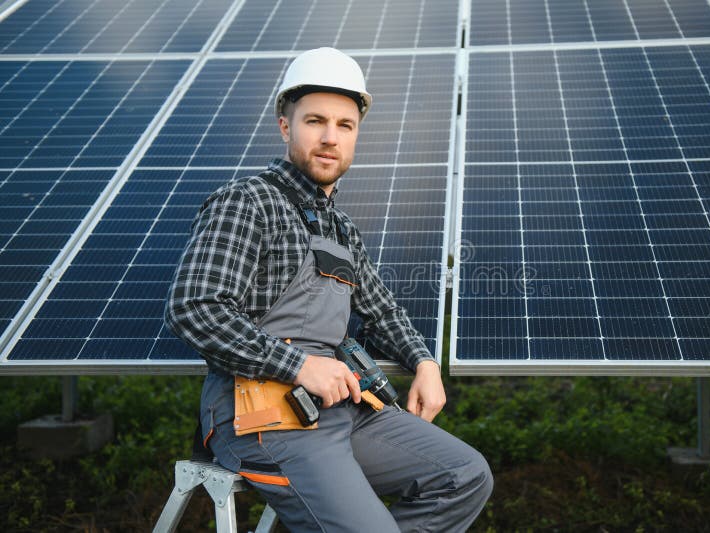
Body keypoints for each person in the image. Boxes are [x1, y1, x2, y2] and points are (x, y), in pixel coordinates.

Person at [165, 47, 492, 532]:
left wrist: (424, 363)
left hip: (341, 410)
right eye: (315, 120)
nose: (329, 138)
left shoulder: (342, 230)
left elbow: (382, 312)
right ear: (285, 126)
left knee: (464, 475)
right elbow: (195, 308)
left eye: (344, 125)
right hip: (260, 416)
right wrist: (298, 365)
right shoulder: (248, 202)